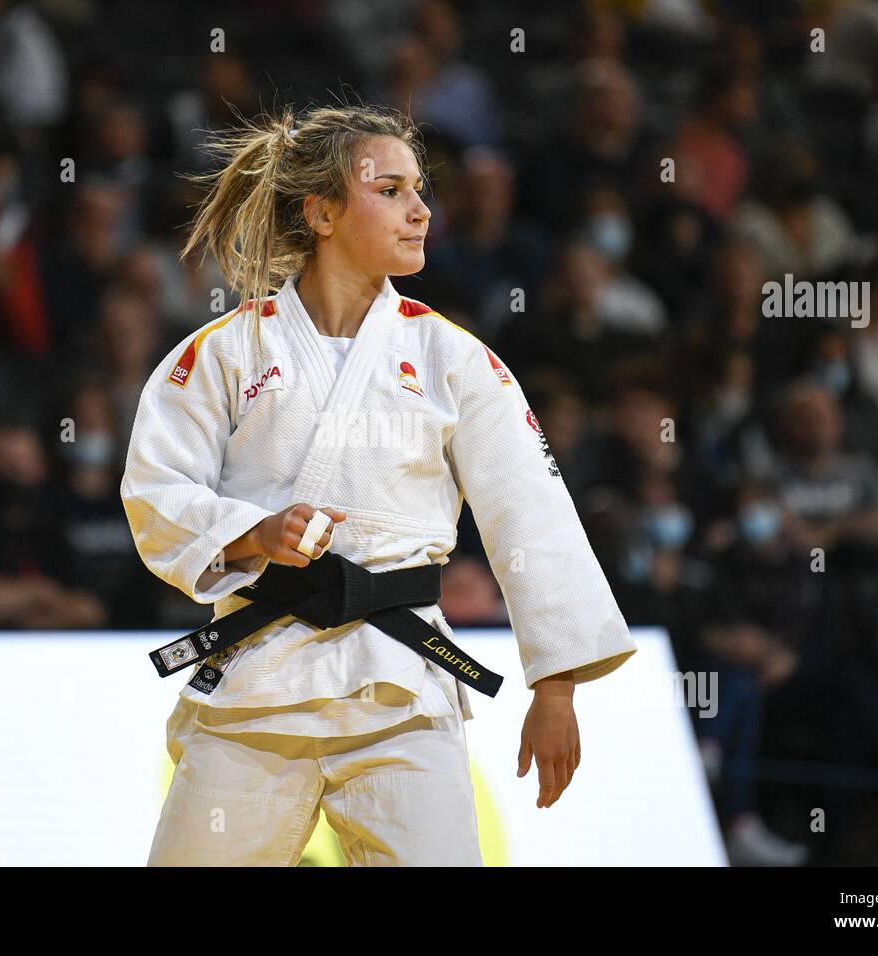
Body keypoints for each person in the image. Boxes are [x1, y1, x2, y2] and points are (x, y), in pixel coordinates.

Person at [121, 103, 636, 867]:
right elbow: (156, 490)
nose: (421, 208)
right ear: (322, 212)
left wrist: (556, 684)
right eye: (390, 190)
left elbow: (532, 515)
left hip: (401, 688)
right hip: (258, 686)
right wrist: (254, 532)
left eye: (420, 189)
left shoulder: (453, 358)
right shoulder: (224, 352)